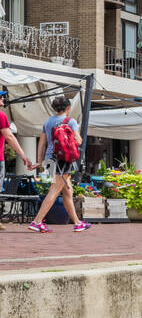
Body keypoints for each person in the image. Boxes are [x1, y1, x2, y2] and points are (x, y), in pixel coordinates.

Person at [29, 96, 89, 233]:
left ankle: (77, 223)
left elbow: (42, 143)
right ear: (68, 108)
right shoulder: (70, 121)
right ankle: (36, 221)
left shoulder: (48, 122)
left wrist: (39, 160)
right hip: (63, 160)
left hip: (50, 160)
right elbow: (79, 141)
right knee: (55, 190)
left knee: (67, 191)